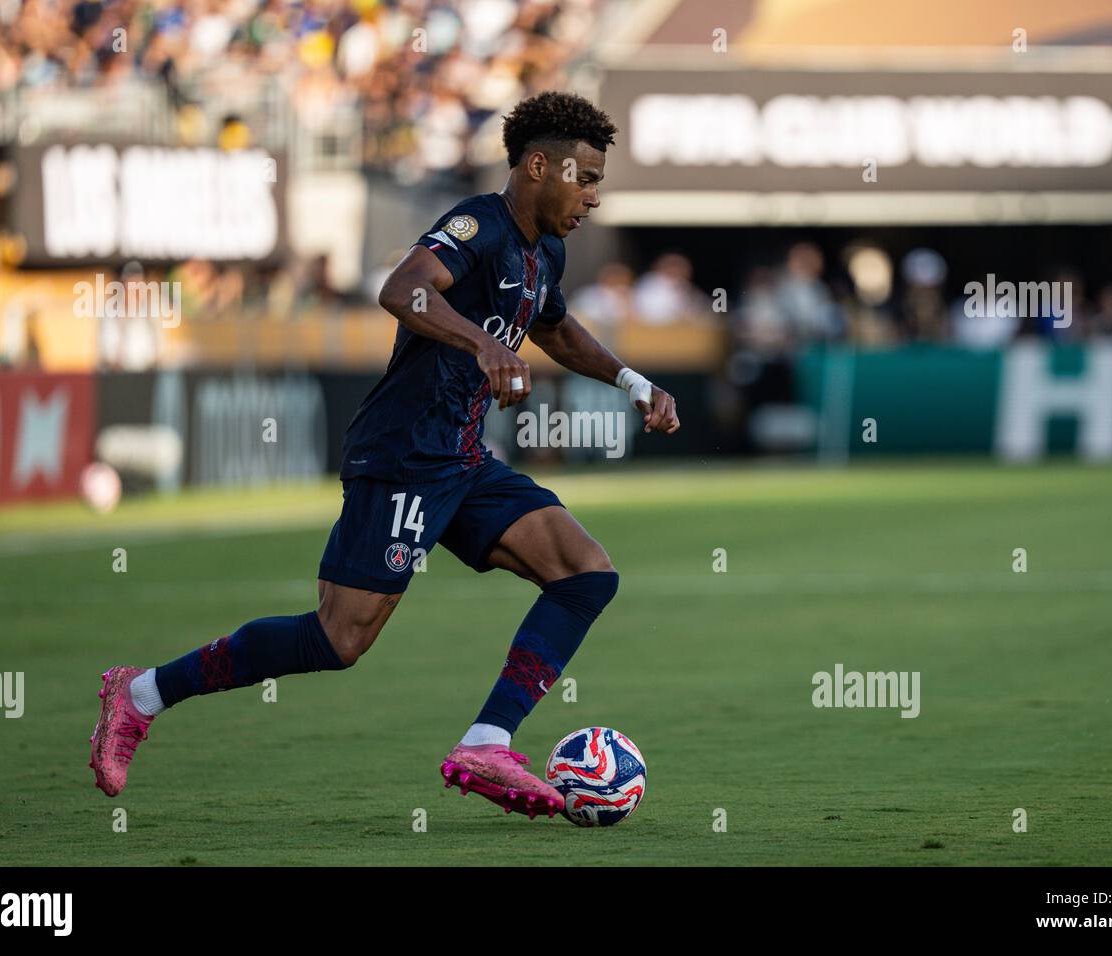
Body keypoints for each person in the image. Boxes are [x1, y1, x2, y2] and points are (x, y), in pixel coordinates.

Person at [88, 91, 680, 820]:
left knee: (586, 573)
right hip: (401, 455)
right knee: (338, 640)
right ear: (537, 166)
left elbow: (555, 330)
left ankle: (486, 741)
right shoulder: (479, 225)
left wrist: (630, 380)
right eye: (584, 177)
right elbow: (402, 289)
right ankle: (141, 693)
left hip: (461, 457)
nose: (592, 196)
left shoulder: (543, 252)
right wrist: (485, 343)